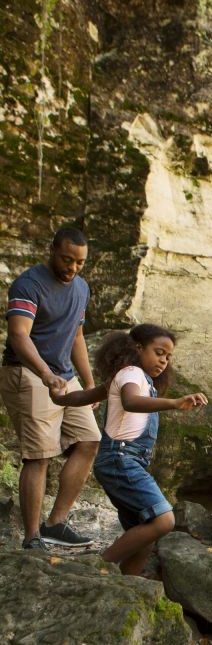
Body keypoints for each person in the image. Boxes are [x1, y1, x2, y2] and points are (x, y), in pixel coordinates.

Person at [51, 324, 207, 575]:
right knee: (164, 520)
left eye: (168, 357)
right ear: (137, 348)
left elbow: (86, 397)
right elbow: (131, 402)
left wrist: (59, 398)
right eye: (159, 352)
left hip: (125, 461)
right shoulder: (131, 373)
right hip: (120, 459)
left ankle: (126, 582)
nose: (164, 361)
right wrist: (174, 403)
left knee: (145, 534)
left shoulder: (134, 379)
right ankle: (96, 567)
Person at [0, 226, 101, 551]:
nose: (73, 267)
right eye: (67, 259)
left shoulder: (81, 288)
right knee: (39, 455)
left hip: (64, 376)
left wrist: (89, 382)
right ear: (52, 250)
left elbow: (76, 336)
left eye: (80, 262)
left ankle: (55, 524)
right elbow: (19, 335)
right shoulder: (28, 284)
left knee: (89, 440)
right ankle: (32, 538)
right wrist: (44, 374)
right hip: (27, 372)